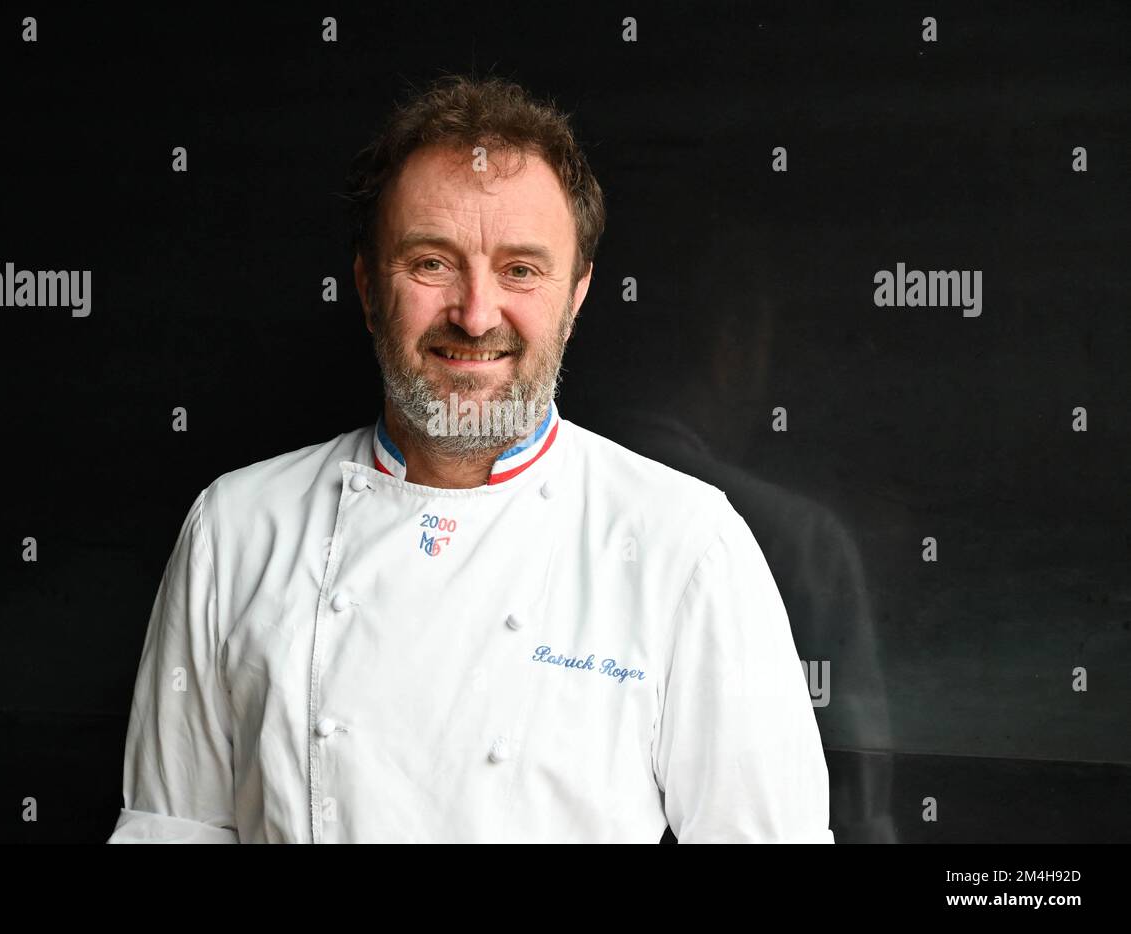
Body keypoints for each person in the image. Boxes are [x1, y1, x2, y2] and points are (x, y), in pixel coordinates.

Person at [106, 73, 833, 843]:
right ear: (364, 285)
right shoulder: (235, 530)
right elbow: (172, 833)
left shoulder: (686, 547)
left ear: (578, 292)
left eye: (521, 269)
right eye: (431, 263)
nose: (476, 314)